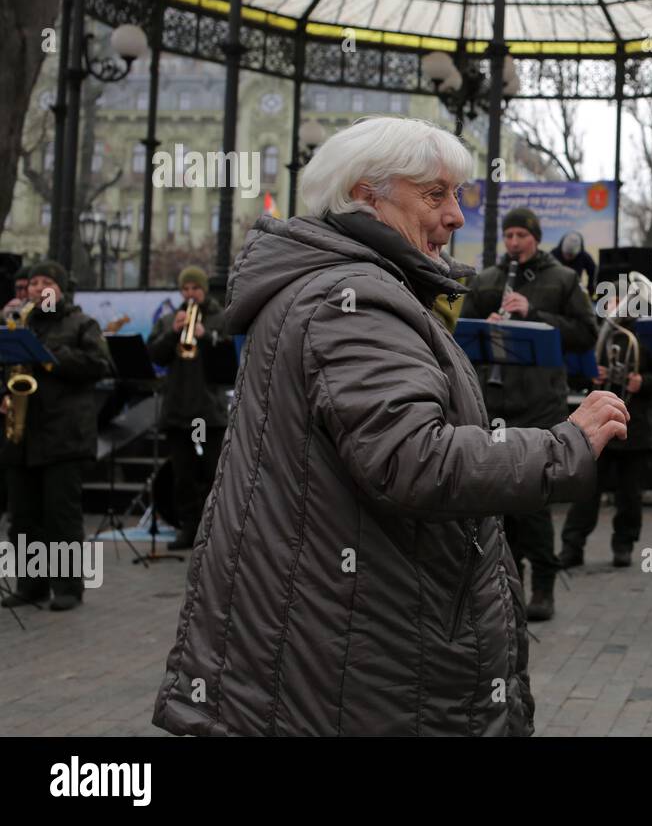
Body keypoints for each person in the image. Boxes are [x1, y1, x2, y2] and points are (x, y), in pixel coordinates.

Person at [152, 117, 627, 737]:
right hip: (360, 657)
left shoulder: (340, 285)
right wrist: (566, 444)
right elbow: (412, 459)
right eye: (435, 195)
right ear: (365, 195)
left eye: (456, 195)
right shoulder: (353, 297)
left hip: (336, 640)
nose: (457, 216)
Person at [459, 207, 599, 622]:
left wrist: (532, 316)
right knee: (498, 496)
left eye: (522, 234)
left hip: (539, 403)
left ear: (535, 238)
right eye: (509, 234)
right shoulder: (486, 280)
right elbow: (460, 336)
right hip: (494, 401)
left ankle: (544, 584)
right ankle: (508, 583)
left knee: (535, 496)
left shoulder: (562, 279)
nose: (514, 242)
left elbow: (586, 333)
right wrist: (485, 324)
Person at [1, 260, 113, 612]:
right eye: (33, 282)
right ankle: (30, 585)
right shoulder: (18, 325)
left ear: (60, 290)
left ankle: (68, 588)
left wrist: (50, 357)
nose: (37, 288)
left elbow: (99, 365)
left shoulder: (81, 323)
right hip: (24, 435)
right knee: (22, 516)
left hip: (64, 435)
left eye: (46, 282)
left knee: (60, 516)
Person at [560, 296, 652, 568]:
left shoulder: (646, 335)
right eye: (611, 302)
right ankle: (571, 546)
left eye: (620, 302)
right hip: (597, 428)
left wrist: (642, 381)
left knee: (630, 496)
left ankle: (624, 545)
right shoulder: (596, 334)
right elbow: (572, 374)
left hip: (635, 428)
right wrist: (591, 376)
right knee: (585, 491)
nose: (614, 307)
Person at [146, 266, 228, 550]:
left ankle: (215, 532)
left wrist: (207, 335)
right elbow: (154, 355)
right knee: (184, 478)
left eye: (195, 288)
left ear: (204, 289)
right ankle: (189, 529)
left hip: (209, 412)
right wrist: (172, 333)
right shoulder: (170, 319)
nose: (190, 294)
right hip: (177, 412)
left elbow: (231, 359)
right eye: (186, 289)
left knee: (211, 475)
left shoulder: (221, 318)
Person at [553, 230, 597, 297]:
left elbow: (593, 269)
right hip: (556, 291)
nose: (568, 258)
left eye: (571, 255)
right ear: (561, 250)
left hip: (576, 291)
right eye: (566, 254)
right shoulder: (553, 255)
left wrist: (590, 289)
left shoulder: (583, 256)